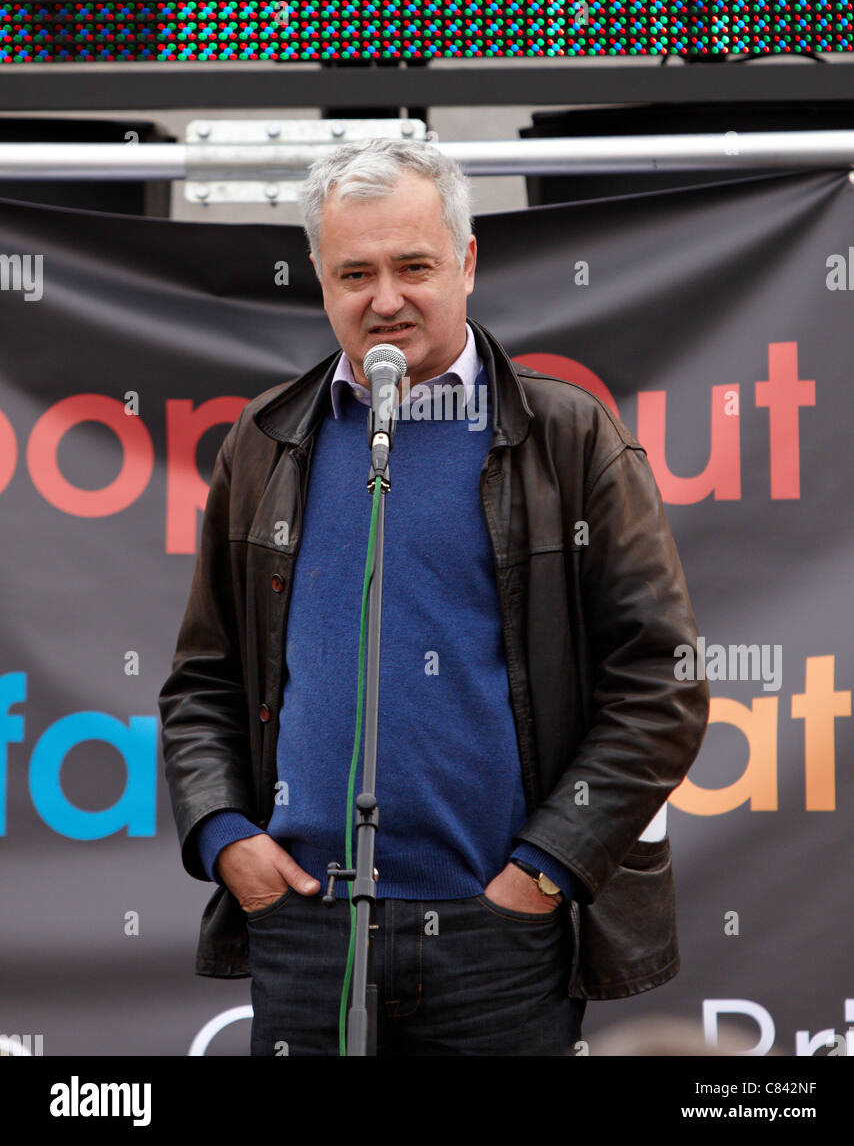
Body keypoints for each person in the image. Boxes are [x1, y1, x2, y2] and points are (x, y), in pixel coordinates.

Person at [158, 137, 709, 1057]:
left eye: (413, 266)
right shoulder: (264, 442)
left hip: (498, 940)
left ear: (466, 262)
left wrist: (542, 873)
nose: (384, 300)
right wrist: (225, 839)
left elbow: (663, 682)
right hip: (306, 935)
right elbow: (202, 682)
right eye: (354, 273)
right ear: (322, 283)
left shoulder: (568, 436)